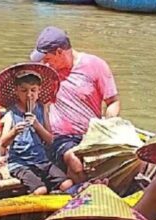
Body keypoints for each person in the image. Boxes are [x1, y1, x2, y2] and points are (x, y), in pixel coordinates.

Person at [29, 26, 120, 183]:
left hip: (91, 135)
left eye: (47, 58)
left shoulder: (95, 65)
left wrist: (107, 125)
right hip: (59, 138)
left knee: (127, 156)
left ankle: (80, 186)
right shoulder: (46, 73)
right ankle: (86, 193)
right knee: (73, 158)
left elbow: (113, 102)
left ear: (59, 52)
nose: (45, 63)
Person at [0, 63, 73, 194]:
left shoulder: (42, 109)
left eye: (33, 90)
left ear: (39, 90)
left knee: (68, 184)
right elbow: (3, 143)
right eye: (24, 91)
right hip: (20, 164)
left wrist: (37, 125)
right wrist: (14, 131)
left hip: (42, 160)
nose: (29, 95)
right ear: (17, 91)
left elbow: (50, 139)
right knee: (40, 190)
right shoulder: (11, 114)